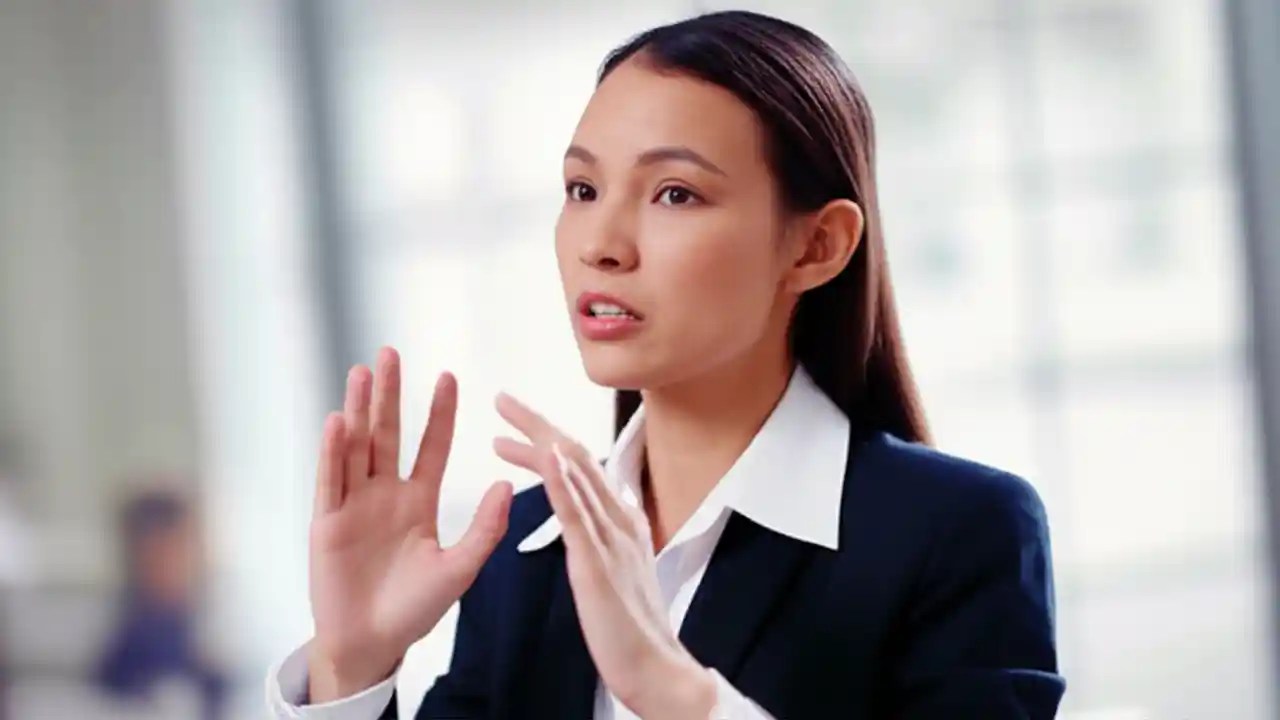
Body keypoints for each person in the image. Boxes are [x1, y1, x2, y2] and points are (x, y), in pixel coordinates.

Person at [268, 10, 1063, 719]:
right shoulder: (521, 551)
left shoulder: (957, 535)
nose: (600, 243)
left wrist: (672, 690)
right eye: (582, 187)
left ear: (817, 246)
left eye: (675, 194)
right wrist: (351, 668)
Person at [95, 489, 227, 720]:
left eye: (186, 552)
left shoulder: (206, 634)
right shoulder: (134, 643)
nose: (181, 566)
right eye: (161, 556)